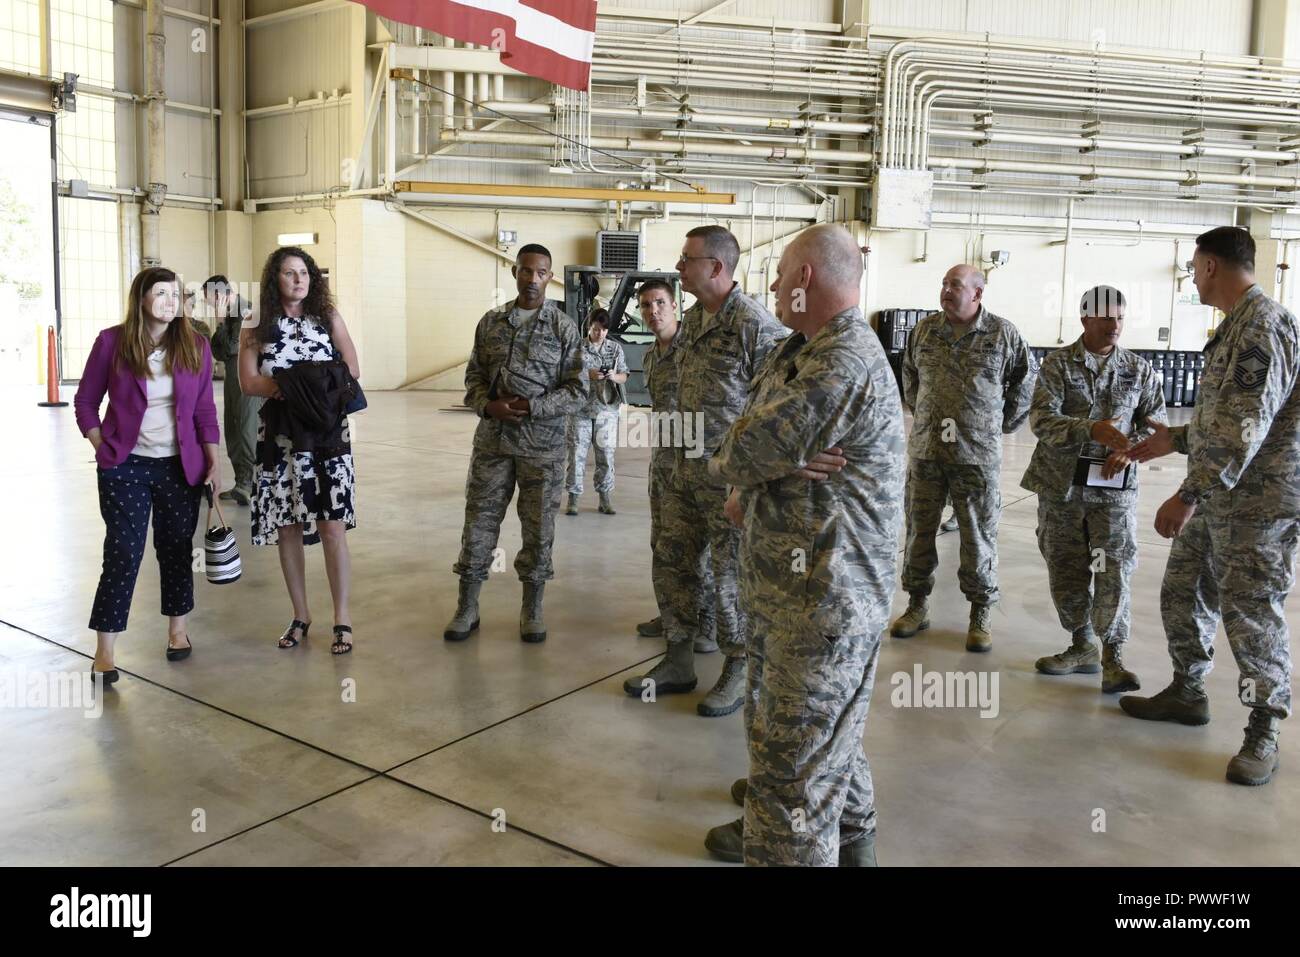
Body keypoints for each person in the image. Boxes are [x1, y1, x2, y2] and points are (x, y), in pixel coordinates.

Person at [704, 224, 905, 865]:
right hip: (795, 593)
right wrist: (775, 464)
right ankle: (854, 842)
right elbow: (757, 446)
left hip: (822, 601)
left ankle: (789, 839)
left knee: (796, 771)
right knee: (819, 734)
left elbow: (739, 449)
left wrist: (762, 460)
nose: (773, 284)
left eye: (782, 272)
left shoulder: (841, 361)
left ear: (807, 279)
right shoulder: (801, 350)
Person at [1121, 226, 1300, 787]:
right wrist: (1173, 440)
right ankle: (1188, 690)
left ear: (1211, 266)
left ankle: (1264, 728)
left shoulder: (1261, 328)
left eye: (1194, 267)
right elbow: (1222, 419)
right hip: (1223, 494)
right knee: (1183, 590)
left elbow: (1244, 429)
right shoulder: (1236, 327)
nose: (1191, 277)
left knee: (1251, 614)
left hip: (1257, 505)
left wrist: (1188, 493)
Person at [622, 225, 787, 717]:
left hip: (726, 480)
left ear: (716, 267)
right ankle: (677, 659)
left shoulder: (755, 326)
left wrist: (753, 474)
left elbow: (783, 404)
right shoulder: (692, 323)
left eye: (686, 259)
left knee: (730, 576)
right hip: (675, 472)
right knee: (671, 561)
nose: (678, 267)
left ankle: (738, 667)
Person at [74, 266, 221, 686]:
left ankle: (178, 630)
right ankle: (105, 650)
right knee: (123, 551)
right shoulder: (112, 342)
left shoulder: (195, 345)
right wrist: (102, 446)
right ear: (141, 299)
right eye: (160, 293)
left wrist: (214, 460)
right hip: (126, 466)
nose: (170, 301)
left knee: (176, 550)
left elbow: (204, 410)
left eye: (175, 294)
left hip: (180, 466)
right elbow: (85, 401)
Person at [1020, 285, 1166, 693]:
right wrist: (1090, 429)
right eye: (1105, 317)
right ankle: (1081, 643)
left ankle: (1113, 655)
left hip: (1113, 492)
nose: (1114, 325)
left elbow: (1155, 423)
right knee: (1065, 566)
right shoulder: (1057, 366)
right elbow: (1042, 421)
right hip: (1061, 487)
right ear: (1085, 318)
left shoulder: (1139, 369)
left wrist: (1132, 450)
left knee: (1113, 567)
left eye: (1120, 317)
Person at [443, 243, 586, 644]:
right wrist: (488, 406)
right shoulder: (491, 322)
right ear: (515, 272)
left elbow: (578, 390)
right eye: (526, 271)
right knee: (478, 526)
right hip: (493, 444)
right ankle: (467, 607)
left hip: (543, 449)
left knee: (539, 530)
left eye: (541, 273)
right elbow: (473, 377)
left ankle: (532, 608)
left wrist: (534, 406)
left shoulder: (563, 328)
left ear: (550, 277)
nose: (533, 279)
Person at [891, 264, 1034, 652]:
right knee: (920, 530)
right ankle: (917, 605)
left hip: (976, 455)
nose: (946, 290)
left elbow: (1025, 379)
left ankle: (980, 612)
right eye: (944, 283)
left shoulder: (1002, 333)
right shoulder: (923, 331)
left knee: (977, 536)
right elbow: (910, 379)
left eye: (955, 285)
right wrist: (923, 413)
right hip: (926, 451)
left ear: (977, 293)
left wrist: (1000, 424)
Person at [239, 246, 360, 655]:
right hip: (281, 436)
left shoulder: (327, 317)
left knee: (331, 526)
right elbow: (248, 382)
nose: (299, 279)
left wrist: (308, 388)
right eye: (289, 273)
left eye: (305, 273)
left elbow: (353, 368)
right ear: (274, 279)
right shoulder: (257, 323)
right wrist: (294, 390)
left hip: (327, 435)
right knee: (288, 527)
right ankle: (300, 614)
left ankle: (341, 618)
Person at [636, 280, 717, 654]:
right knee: (665, 543)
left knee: (704, 548)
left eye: (660, 303)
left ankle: (709, 624)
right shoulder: (651, 356)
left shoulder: (697, 349)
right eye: (646, 306)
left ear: (675, 305)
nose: (654, 312)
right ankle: (673, 613)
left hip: (700, 462)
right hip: (665, 463)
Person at [565, 308, 628, 516]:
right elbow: (564, 373)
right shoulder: (577, 348)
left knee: (606, 456)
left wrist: (612, 376)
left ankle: (605, 498)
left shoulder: (615, 348)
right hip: (580, 410)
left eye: (603, 330)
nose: (599, 333)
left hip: (606, 411)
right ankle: (573, 498)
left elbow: (624, 375)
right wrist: (587, 374)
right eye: (596, 329)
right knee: (576, 455)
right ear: (589, 326)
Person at [206, 275, 262, 506]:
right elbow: (218, 353)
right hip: (232, 378)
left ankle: (251, 484)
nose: (209, 304)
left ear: (220, 295)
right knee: (232, 428)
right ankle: (241, 483)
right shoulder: (229, 314)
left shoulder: (245, 312)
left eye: (209, 298)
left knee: (247, 429)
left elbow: (230, 347)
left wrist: (219, 323)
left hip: (247, 379)